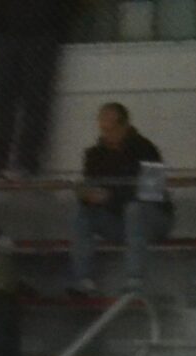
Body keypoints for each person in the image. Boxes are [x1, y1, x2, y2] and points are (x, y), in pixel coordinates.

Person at [69, 102, 169, 296]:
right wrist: (86, 195)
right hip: (116, 220)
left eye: (111, 129)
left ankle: (135, 279)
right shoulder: (94, 154)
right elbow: (91, 188)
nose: (106, 135)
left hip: (152, 219)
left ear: (124, 126)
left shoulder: (147, 149)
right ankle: (83, 279)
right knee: (82, 215)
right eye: (102, 129)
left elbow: (153, 193)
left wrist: (111, 197)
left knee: (135, 210)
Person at [0, 0, 68, 179]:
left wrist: (56, 20)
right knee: (5, 100)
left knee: (34, 101)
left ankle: (25, 161)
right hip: (7, 28)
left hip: (41, 29)